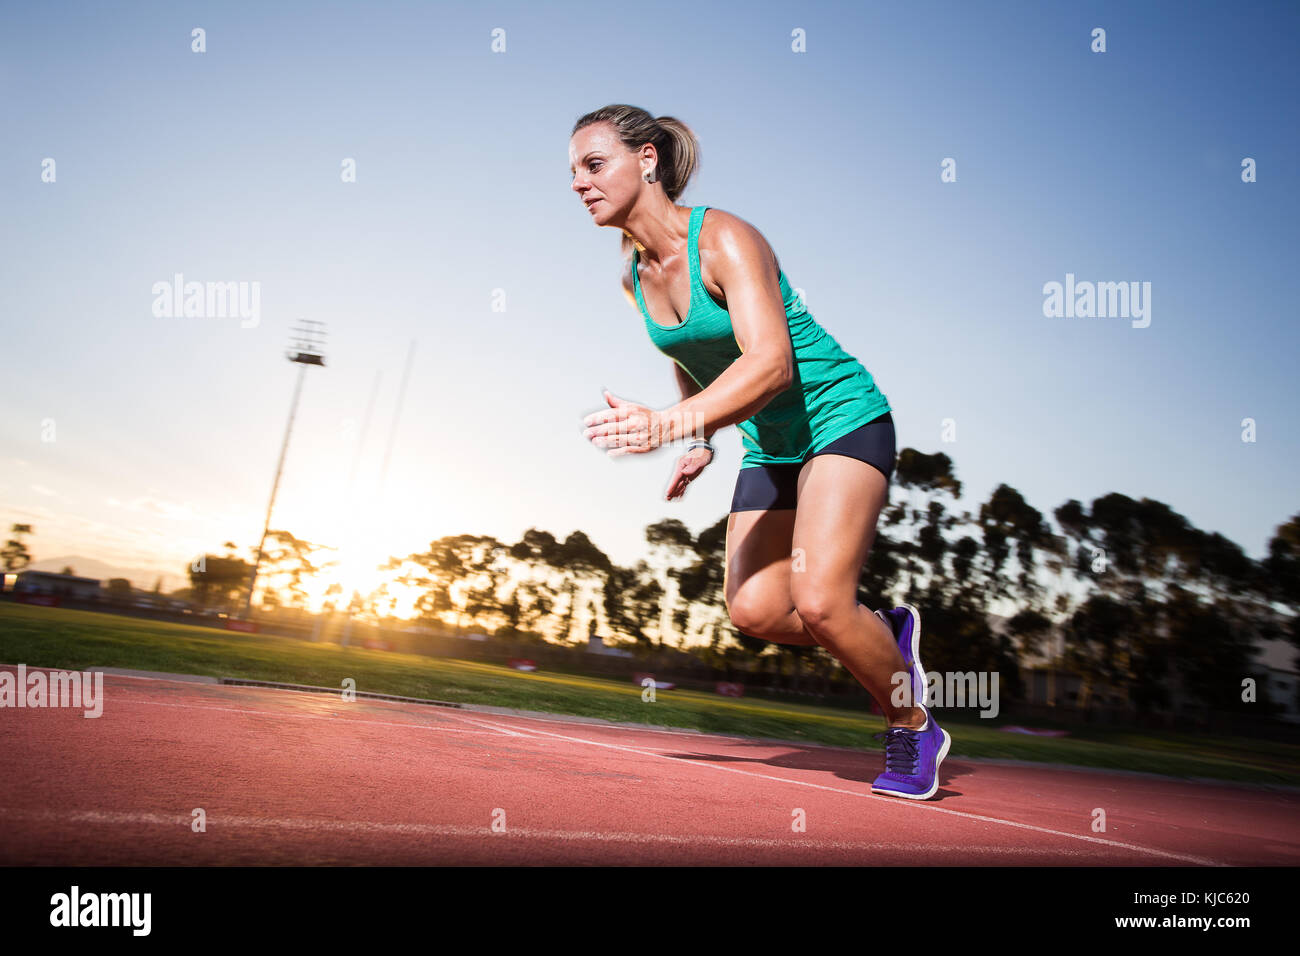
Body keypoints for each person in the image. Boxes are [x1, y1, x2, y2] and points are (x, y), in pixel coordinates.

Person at [571, 104, 949, 800]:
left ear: (647, 159)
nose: (578, 183)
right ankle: (883, 634)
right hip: (768, 444)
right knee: (754, 611)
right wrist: (698, 436)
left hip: (840, 419)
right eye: (572, 173)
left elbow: (772, 363)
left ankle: (912, 722)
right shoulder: (632, 272)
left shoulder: (726, 239)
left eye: (594, 165)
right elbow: (693, 351)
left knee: (821, 602)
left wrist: (667, 423)